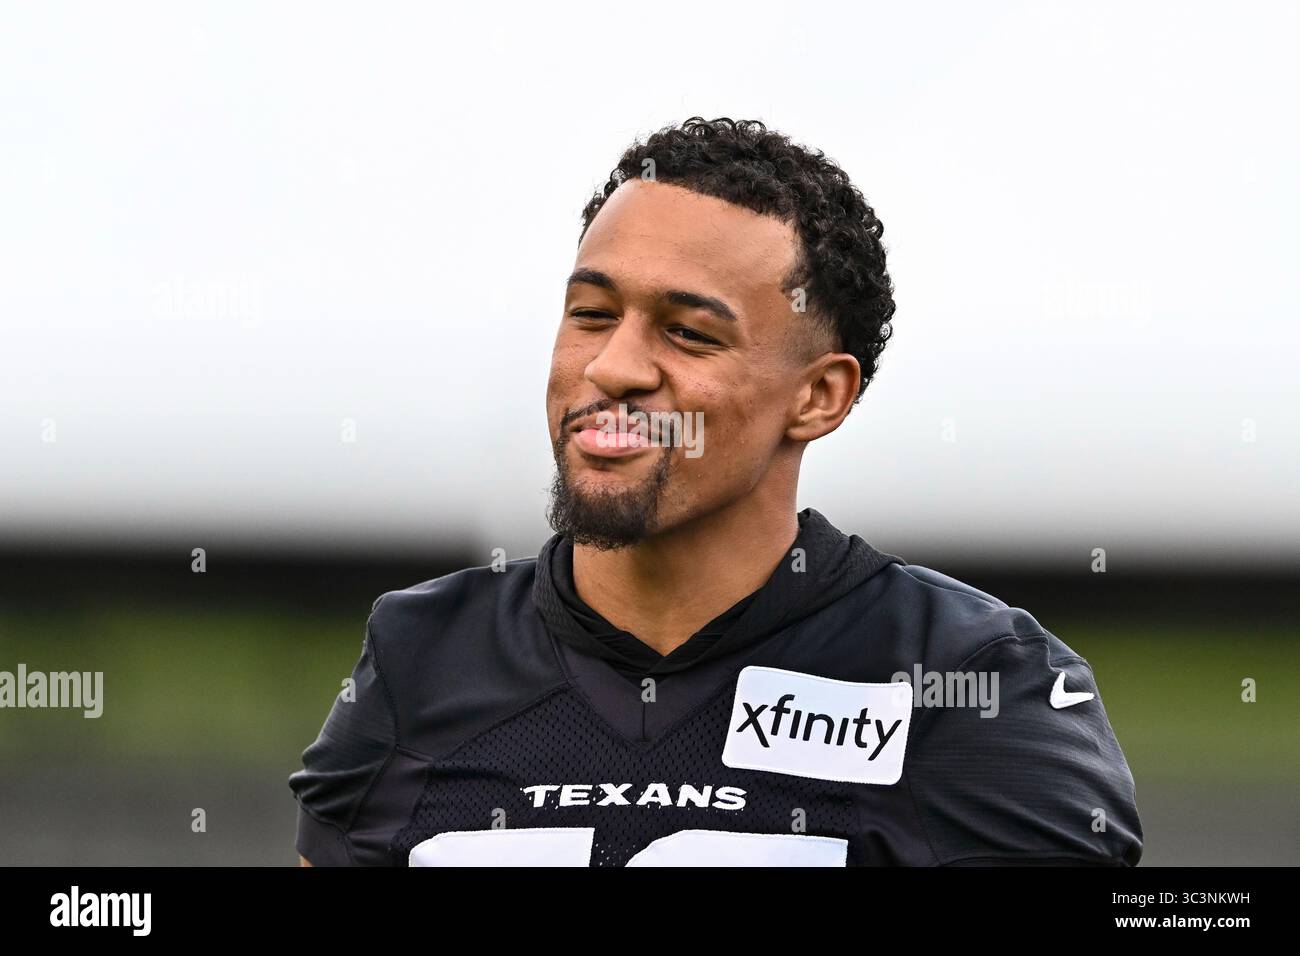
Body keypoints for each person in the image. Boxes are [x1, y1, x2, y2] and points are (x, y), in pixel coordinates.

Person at [290, 117, 1142, 867]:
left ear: (818, 397)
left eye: (688, 333)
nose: (612, 367)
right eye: (591, 313)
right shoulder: (420, 656)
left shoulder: (968, 682)